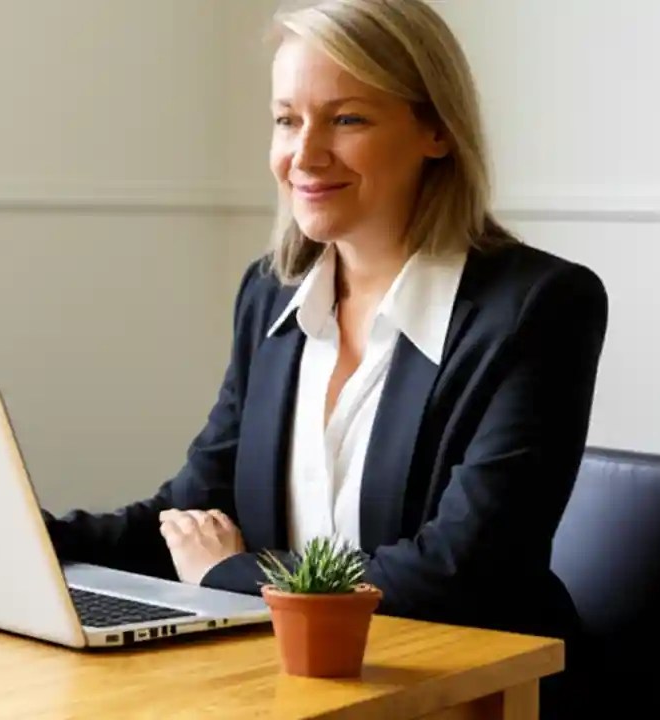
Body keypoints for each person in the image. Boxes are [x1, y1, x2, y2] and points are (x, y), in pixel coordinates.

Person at [41, 0, 607, 717]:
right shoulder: (269, 295)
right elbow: (192, 510)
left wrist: (231, 575)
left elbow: (461, 573)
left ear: (436, 129)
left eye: (347, 120)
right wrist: (29, 539)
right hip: (297, 689)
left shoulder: (539, 306)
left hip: (468, 695)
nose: (303, 155)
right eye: (286, 119)